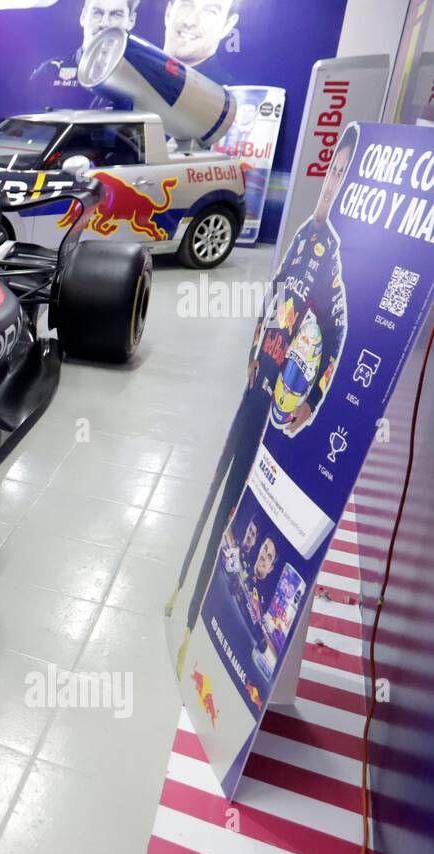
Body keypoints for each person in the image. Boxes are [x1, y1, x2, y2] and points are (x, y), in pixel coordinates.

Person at [169, 125, 355, 679]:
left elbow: (337, 333)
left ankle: (206, 613)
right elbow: (276, 297)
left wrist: (310, 400)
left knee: (238, 505)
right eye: (332, 171)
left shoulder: (331, 259)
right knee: (216, 488)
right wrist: (254, 351)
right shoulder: (303, 236)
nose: (332, 184)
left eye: (344, 175)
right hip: (255, 387)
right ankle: (187, 590)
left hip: (277, 405)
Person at [31, 0, 140, 105]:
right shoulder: (50, 72)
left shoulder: (141, 82)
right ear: (83, 16)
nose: (104, 23)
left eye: (116, 15)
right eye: (97, 13)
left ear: (131, 20)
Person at [163, 0, 239, 71]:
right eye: (185, 5)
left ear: (227, 26)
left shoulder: (217, 85)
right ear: (168, 12)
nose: (190, 21)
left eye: (211, 11)